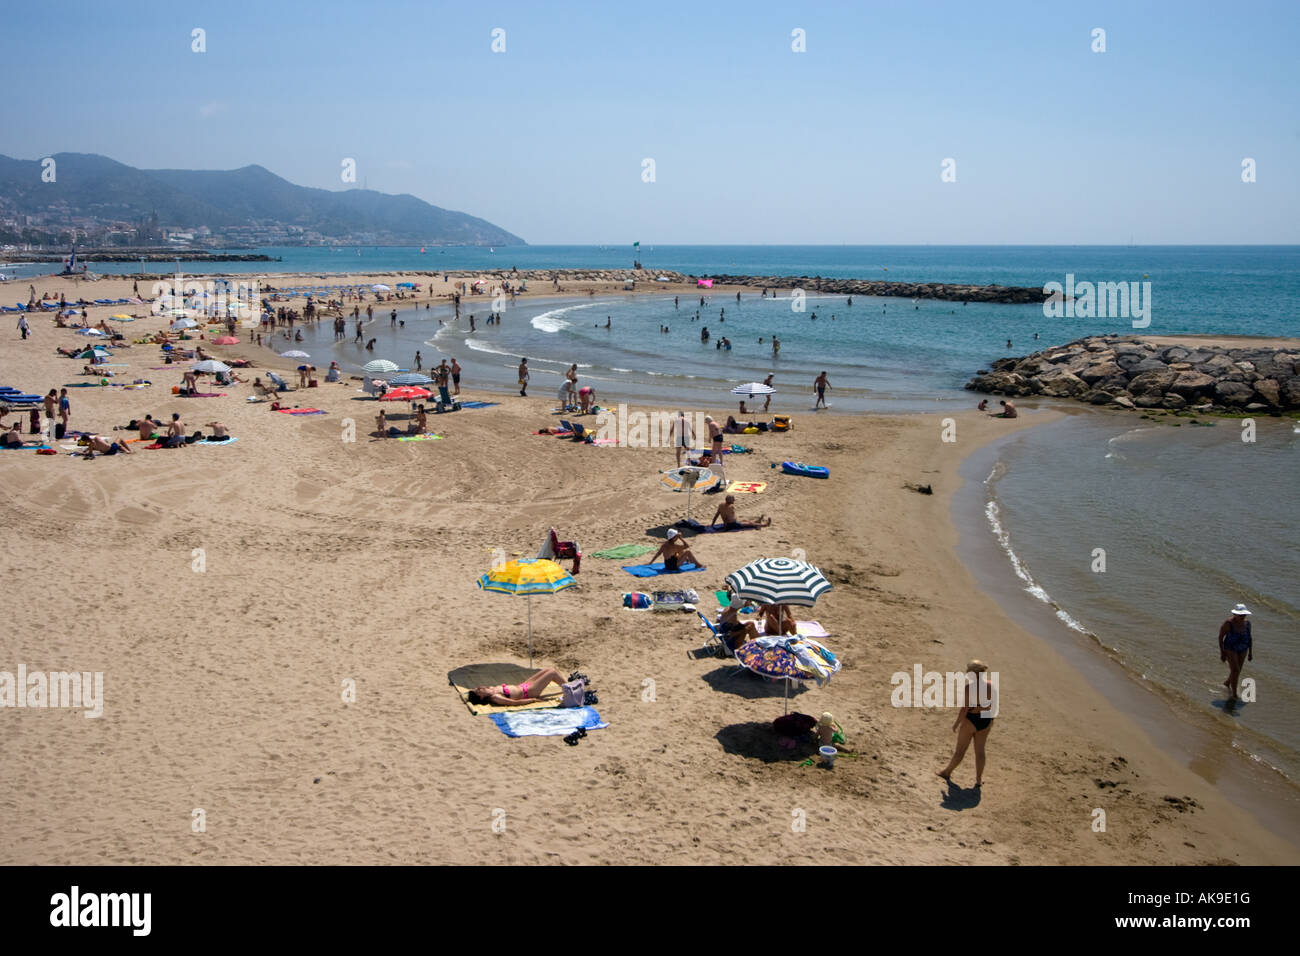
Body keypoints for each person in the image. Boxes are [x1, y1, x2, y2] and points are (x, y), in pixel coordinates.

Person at [938, 660, 995, 787]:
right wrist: (989, 719)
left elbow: (965, 708)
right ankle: (979, 780)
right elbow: (992, 706)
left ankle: (947, 772)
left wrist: (957, 723)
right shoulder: (991, 685)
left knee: (961, 750)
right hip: (986, 719)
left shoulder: (970, 688)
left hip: (971, 719)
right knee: (980, 751)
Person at [466, 668, 568, 707]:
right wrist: (533, 700)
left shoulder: (491, 688)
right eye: (478, 691)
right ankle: (571, 690)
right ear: (481, 697)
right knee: (552, 673)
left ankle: (570, 687)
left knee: (549, 669)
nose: (479, 688)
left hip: (524, 685)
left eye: (477, 688)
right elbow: (513, 703)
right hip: (529, 692)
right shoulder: (495, 697)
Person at [1218, 604, 1254, 701]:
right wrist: (1222, 653)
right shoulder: (1228, 623)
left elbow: (1250, 638)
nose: (1243, 617)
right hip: (1230, 648)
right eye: (1240, 615)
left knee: (1237, 671)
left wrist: (1250, 653)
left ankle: (1227, 683)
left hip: (1243, 648)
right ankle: (1234, 694)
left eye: (1244, 615)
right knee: (1236, 670)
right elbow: (1221, 637)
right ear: (1235, 614)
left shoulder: (1247, 624)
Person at [704, 415, 726, 479]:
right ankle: (721, 462)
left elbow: (711, 432)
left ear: (708, 421)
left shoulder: (710, 424)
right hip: (720, 436)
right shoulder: (716, 423)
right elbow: (720, 430)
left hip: (716, 437)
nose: (707, 423)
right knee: (719, 451)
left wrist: (709, 439)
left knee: (713, 452)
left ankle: (713, 464)